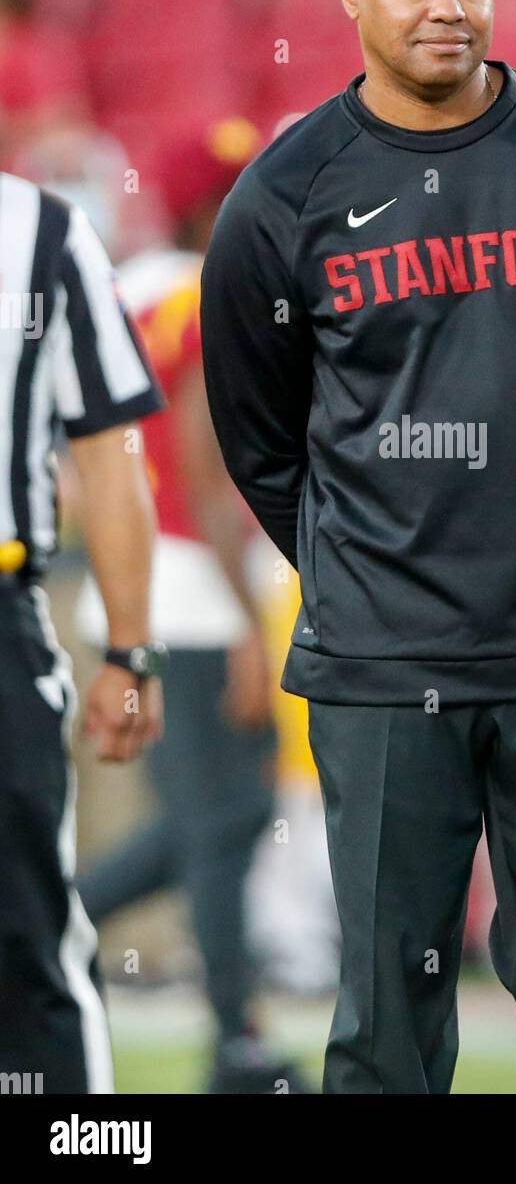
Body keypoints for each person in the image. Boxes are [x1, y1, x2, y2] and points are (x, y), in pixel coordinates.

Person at [200, 0, 516, 1094]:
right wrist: (368, 565)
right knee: (387, 1014)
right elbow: (258, 435)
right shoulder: (280, 198)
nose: (445, 8)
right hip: (382, 657)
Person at [74, 120, 311, 1093]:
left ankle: (50, 923)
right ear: (222, 203)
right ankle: (235, 1041)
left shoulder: (131, 288)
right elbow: (210, 474)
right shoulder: (215, 294)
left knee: (216, 817)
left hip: (132, 577)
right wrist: (249, 623)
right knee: (221, 825)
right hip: (192, 587)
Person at [0, 169, 165, 1093]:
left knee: (23, 930)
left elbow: (110, 450)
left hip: (2, 610)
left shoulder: (40, 230)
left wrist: (130, 649)